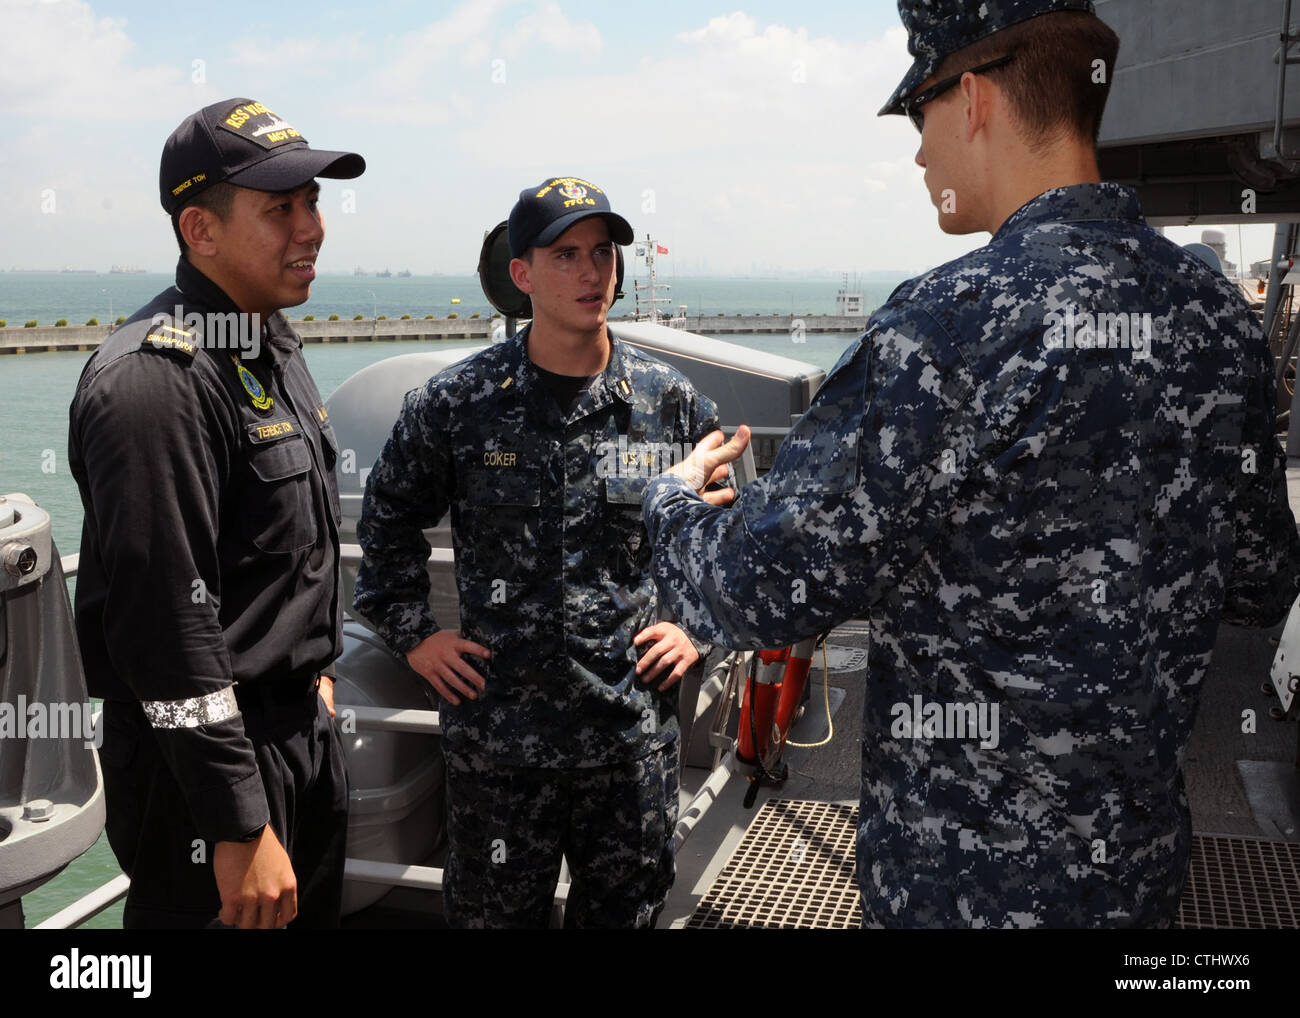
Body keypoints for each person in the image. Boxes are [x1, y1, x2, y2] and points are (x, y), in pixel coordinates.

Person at [641, 0, 1300, 927]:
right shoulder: (1220, 319)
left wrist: (669, 503)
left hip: (957, 891)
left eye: (920, 111)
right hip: (1135, 880)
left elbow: (753, 587)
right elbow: (1264, 578)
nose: (918, 154)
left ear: (976, 97)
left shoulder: (946, 327)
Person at [353, 176, 723, 928]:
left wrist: (695, 627)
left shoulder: (670, 404)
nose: (592, 273)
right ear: (521, 275)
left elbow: (724, 540)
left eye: (603, 254)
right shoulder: (457, 403)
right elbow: (386, 522)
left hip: (626, 742)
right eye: (565, 256)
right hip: (498, 751)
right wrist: (415, 636)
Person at [68, 98, 364, 929]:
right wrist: (237, 822)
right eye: (282, 208)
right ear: (200, 229)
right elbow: (163, 628)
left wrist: (315, 677)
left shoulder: (266, 343)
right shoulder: (155, 382)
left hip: (297, 731)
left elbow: (286, 555)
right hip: (208, 770)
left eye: (313, 203)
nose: (312, 228)